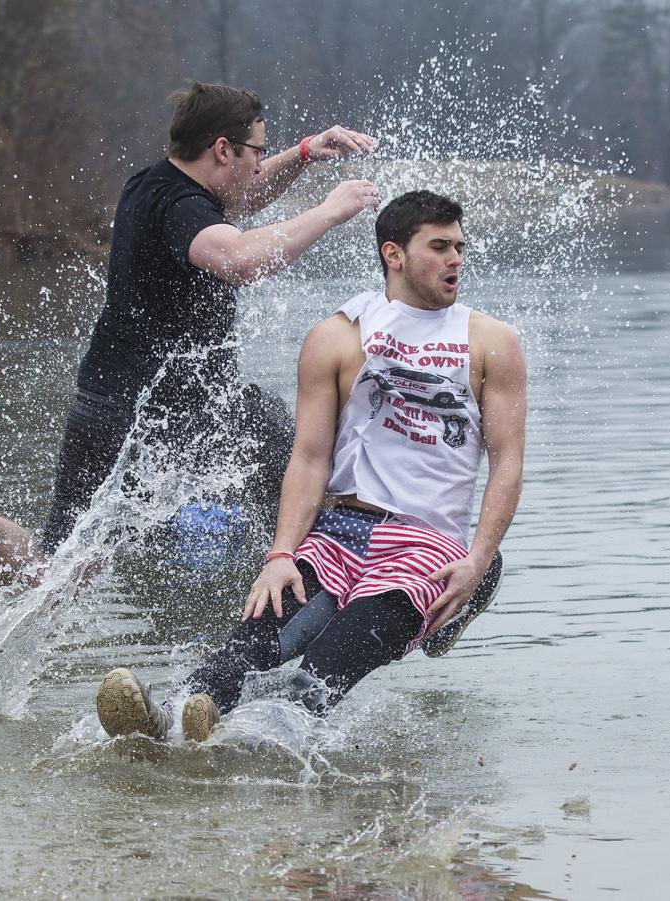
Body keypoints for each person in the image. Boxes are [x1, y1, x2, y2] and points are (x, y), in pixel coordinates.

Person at [0, 82, 381, 586]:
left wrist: (307, 153)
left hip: (108, 402)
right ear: (222, 149)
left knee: (57, 572)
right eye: (258, 151)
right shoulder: (181, 206)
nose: (262, 165)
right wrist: (330, 211)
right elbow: (239, 259)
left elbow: (241, 199)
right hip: (179, 411)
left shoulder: (152, 185)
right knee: (312, 489)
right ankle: (376, 589)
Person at [95, 190, 527, 743]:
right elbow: (309, 457)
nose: (455, 260)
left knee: (323, 671)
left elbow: (507, 462)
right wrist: (279, 556)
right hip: (337, 532)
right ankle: (162, 725)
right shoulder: (336, 337)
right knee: (248, 643)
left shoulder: (491, 342)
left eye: (459, 248)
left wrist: (478, 558)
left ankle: (246, 748)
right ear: (393, 254)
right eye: (439, 247)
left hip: (427, 546)